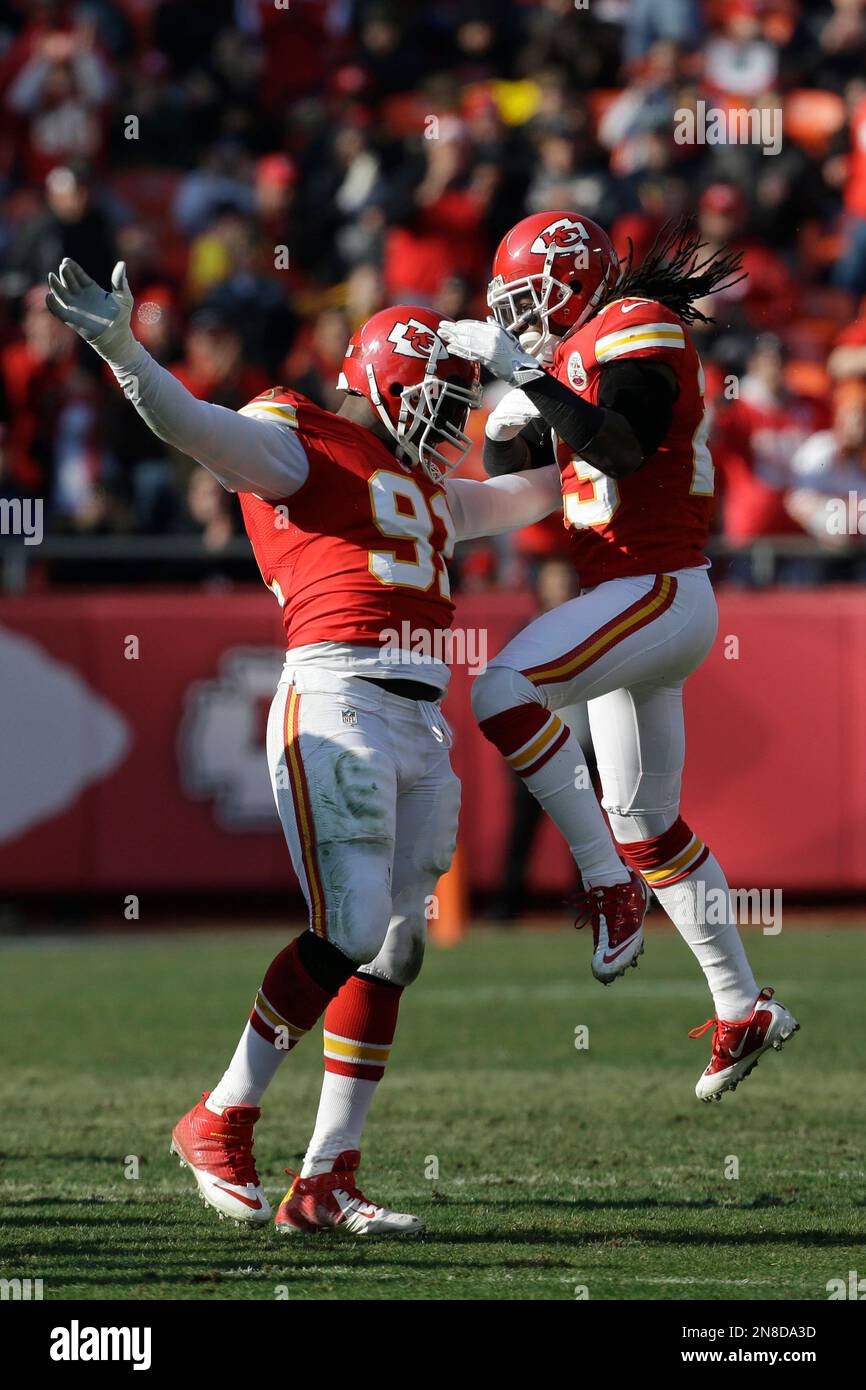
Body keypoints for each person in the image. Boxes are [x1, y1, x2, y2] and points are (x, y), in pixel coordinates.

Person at [46, 258, 561, 1233]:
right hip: (339, 696)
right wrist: (121, 348)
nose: (450, 418)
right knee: (356, 924)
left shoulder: (421, 483)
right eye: (439, 396)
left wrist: (599, 430)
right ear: (383, 383)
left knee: (397, 945)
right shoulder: (296, 439)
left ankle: (325, 1175)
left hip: (418, 711)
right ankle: (220, 1112)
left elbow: (533, 492)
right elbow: (189, 423)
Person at [440, 210, 799, 1102]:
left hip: (656, 587)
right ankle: (742, 1003)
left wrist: (530, 375)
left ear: (569, 280)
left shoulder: (634, 324)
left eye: (528, 300)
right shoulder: (580, 350)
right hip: (639, 597)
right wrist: (510, 417)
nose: (523, 320)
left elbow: (626, 447)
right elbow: (532, 476)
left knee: (502, 690)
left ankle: (606, 885)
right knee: (647, 822)